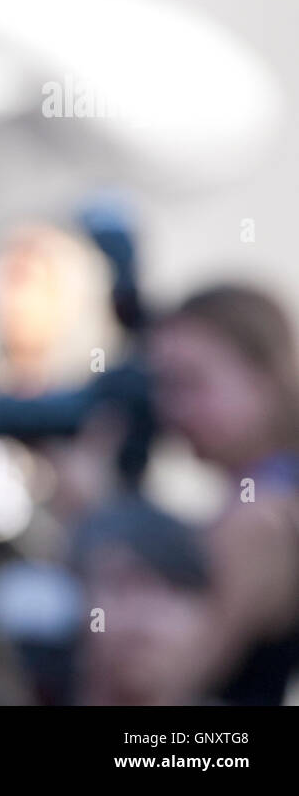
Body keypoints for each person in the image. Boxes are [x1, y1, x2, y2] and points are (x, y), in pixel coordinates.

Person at [146, 283, 299, 704]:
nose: (170, 409)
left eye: (190, 384)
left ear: (264, 379)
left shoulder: (256, 520)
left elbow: (163, 687)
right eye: (163, 386)